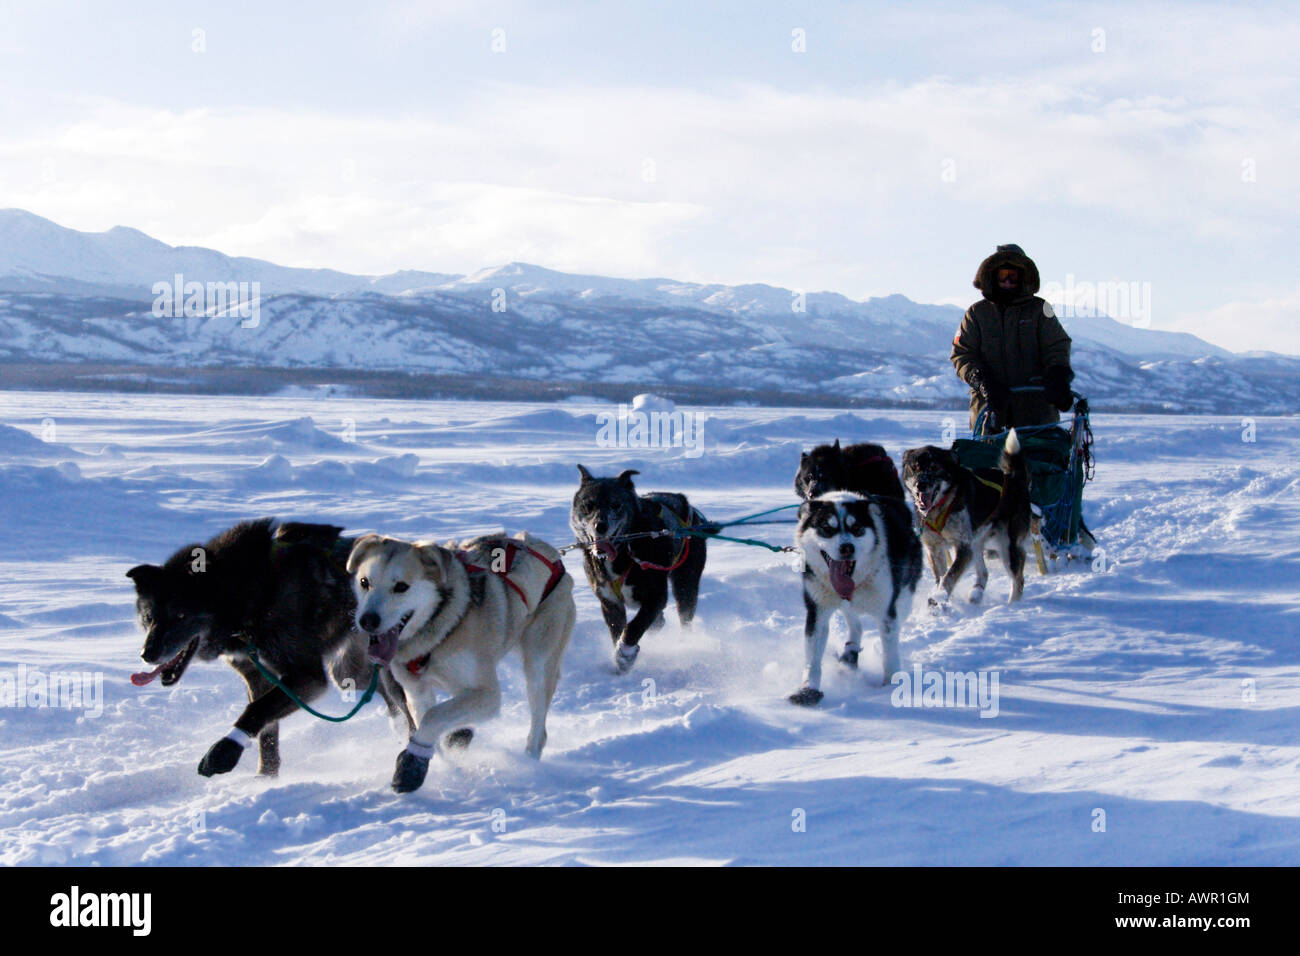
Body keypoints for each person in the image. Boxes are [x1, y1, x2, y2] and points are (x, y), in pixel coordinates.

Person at [951, 244, 1075, 435]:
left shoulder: (1042, 309)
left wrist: (1058, 375)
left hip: (1036, 415)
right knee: (988, 463)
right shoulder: (976, 313)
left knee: (1040, 463)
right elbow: (962, 354)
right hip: (990, 414)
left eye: (1014, 275)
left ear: (1024, 277)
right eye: (1003, 275)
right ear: (992, 276)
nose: (1008, 281)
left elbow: (1057, 345)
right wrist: (981, 380)